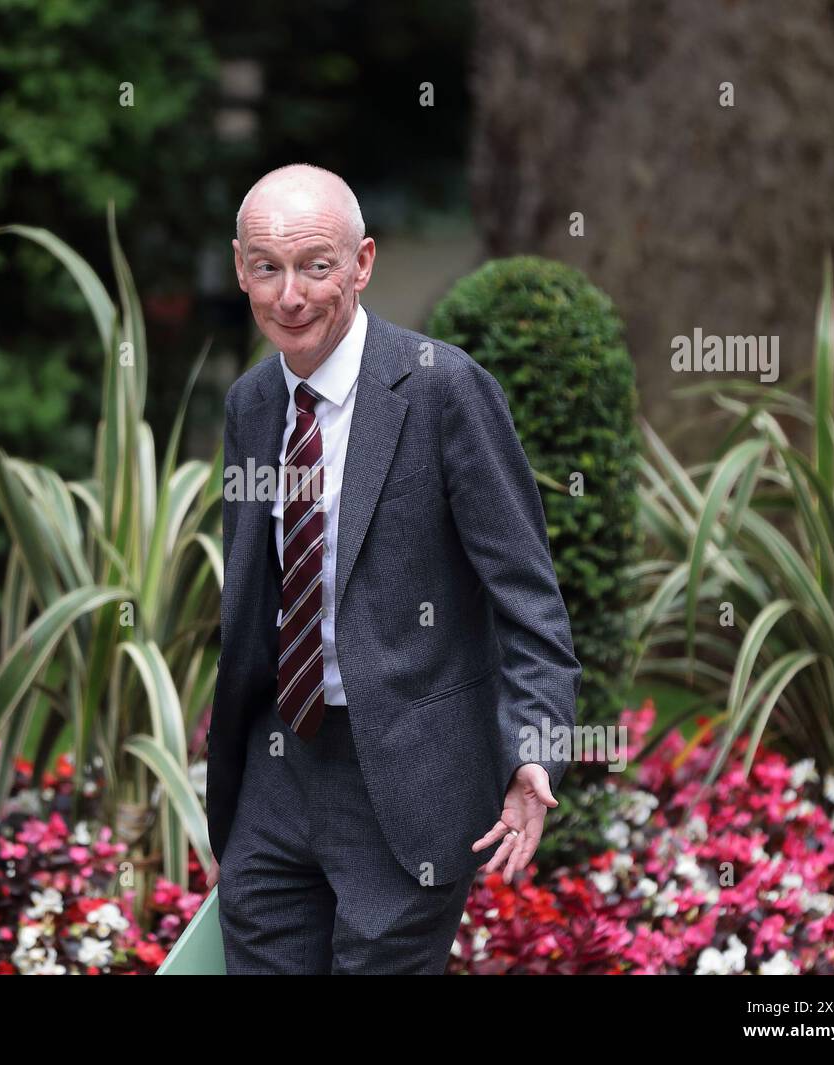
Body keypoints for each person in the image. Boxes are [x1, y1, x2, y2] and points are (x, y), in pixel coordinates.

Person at [205, 163, 580, 974]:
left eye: (316, 264)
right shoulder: (251, 406)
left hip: (407, 782)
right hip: (274, 773)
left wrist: (536, 747)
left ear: (362, 264)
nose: (291, 295)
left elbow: (529, 599)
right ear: (241, 269)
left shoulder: (446, 391)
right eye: (268, 267)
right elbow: (255, 593)